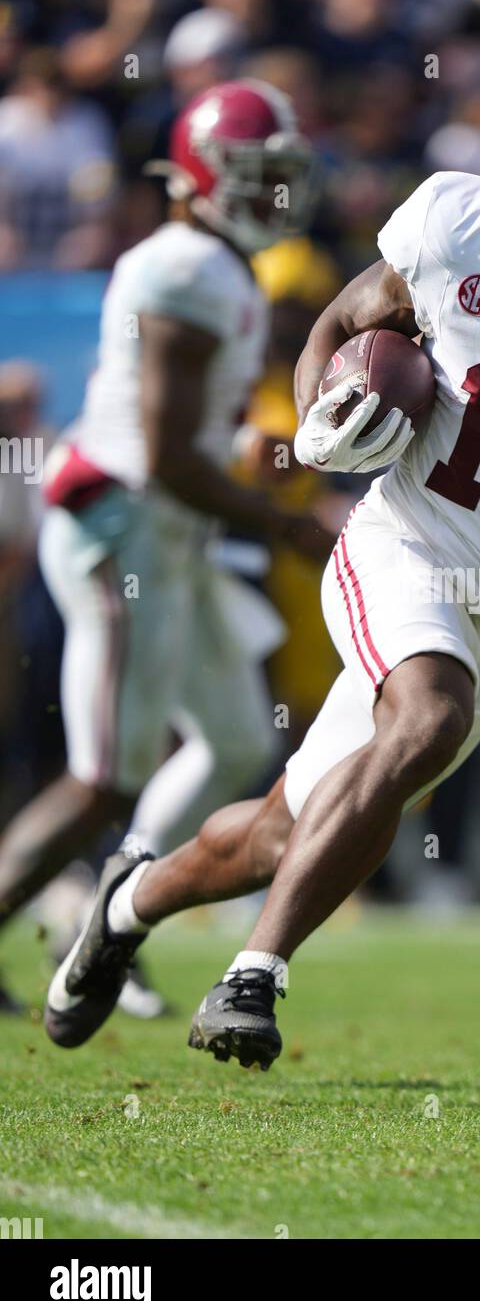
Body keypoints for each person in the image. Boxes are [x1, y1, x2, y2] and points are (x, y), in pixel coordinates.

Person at [45, 69, 480, 1070]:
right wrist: (316, 426)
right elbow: (341, 327)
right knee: (424, 717)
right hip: (408, 541)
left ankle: (122, 903)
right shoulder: (452, 228)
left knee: (273, 831)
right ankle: (255, 974)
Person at [0, 79, 327, 1004]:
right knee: (106, 776)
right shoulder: (184, 267)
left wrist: (246, 451)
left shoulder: (216, 265)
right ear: (194, 177)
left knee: (230, 739)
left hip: (168, 528)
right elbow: (166, 455)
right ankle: (93, 916)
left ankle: (112, 906)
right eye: (255, 177)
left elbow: (188, 440)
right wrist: (286, 523)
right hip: (128, 528)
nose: (271, 197)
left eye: (280, 178)